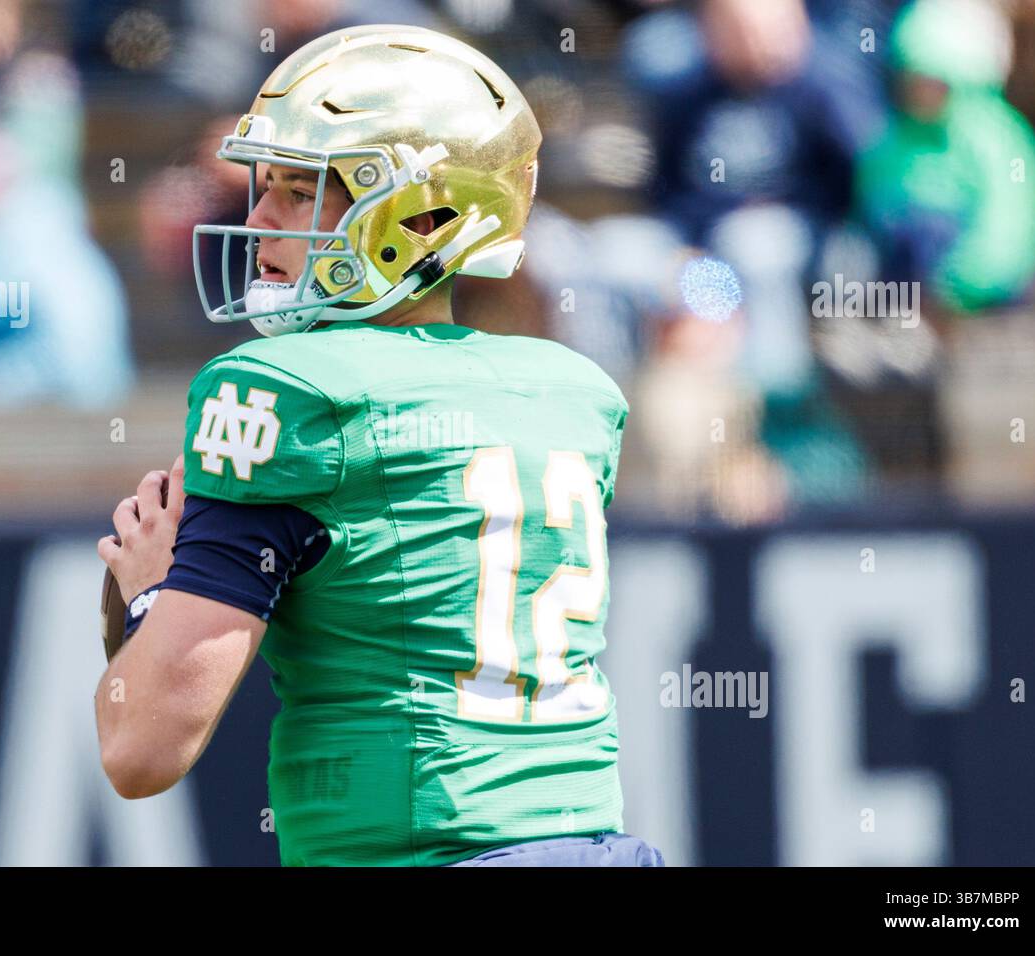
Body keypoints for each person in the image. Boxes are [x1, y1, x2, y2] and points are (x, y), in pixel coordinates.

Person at [94, 24, 664, 868]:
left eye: (297, 190)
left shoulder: (284, 390)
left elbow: (141, 750)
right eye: (265, 185)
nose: (257, 217)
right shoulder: (570, 391)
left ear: (415, 214)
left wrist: (147, 597)